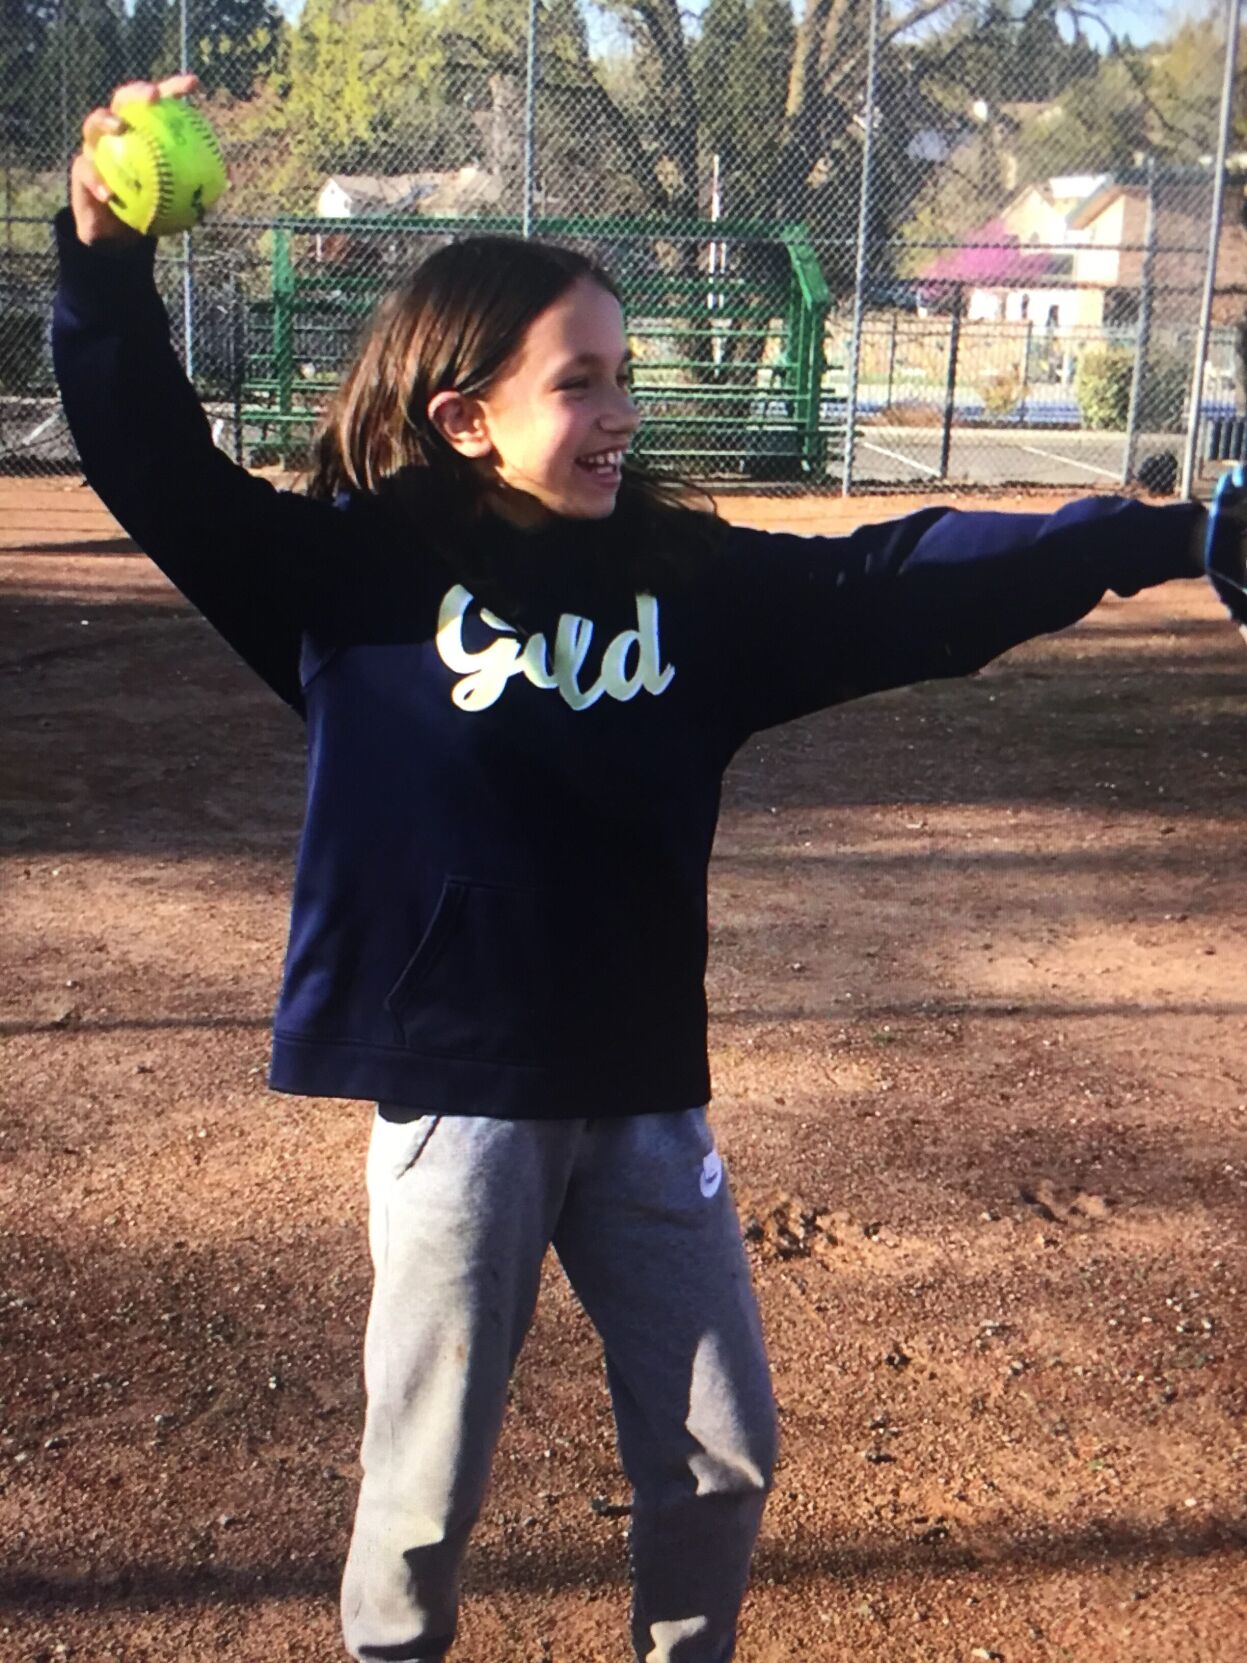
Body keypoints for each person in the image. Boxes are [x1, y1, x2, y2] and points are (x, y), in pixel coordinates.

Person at [56, 76, 1223, 1663]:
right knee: (421, 1495)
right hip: (459, 1098)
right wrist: (104, 262)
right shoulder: (351, 579)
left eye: (625, 375)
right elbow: (154, 462)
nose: (620, 411)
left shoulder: (689, 587)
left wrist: (1161, 537)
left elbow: (899, 578)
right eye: (579, 382)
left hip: (641, 1092)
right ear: (468, 414)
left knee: (724, 1451)